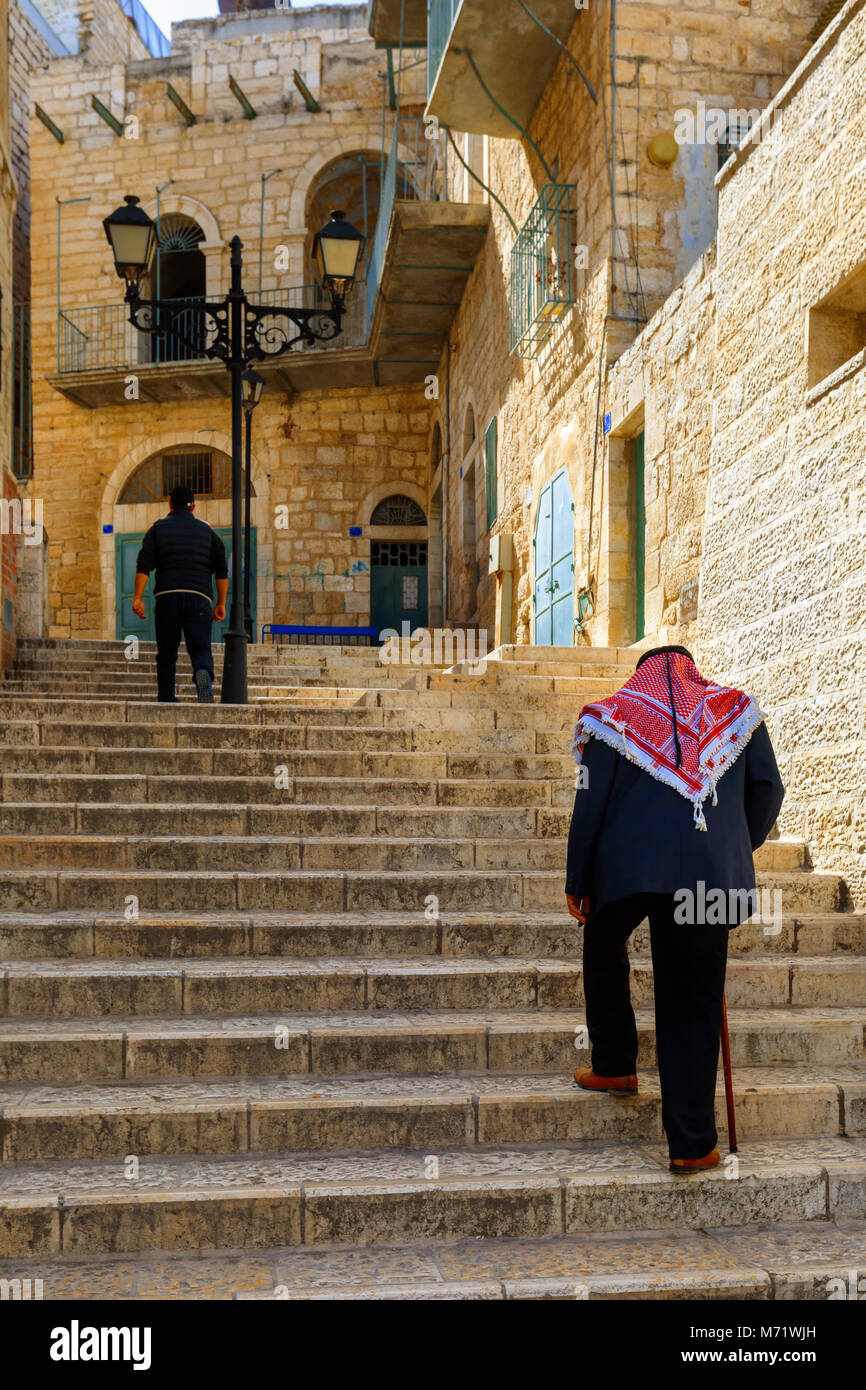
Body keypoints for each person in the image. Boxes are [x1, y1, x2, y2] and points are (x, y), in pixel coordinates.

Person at [564, 644, 784, 1173]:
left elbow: (587, 803)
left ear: (640, 675)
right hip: (707, 878)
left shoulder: (611, 719)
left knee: (602, 939)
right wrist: (731, 848)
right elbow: (769, 792)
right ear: (692, 672)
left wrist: (579, 880)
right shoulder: (736, 715)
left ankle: (616, 1063)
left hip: (629, 872)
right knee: (692, 998)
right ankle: (692, 1145)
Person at [132, 485, 228, 704]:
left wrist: (137, 598)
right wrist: (221, 603)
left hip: (168, 596)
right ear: (193, 507)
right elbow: (222, 570)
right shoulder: (208, 532)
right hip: (199, 596)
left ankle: (166, 696)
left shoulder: (157, 528)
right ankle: (202, 673)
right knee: (201, 647)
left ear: (170, 505)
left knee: (166, 652)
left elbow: (144, 564)